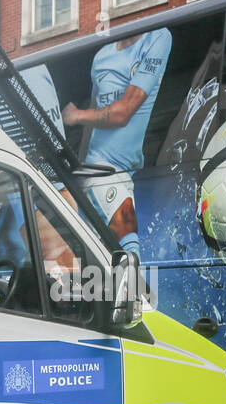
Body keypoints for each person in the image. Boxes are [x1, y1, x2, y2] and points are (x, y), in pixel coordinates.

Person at [62, 27, 172, 256]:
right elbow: (91, 123)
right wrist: (80, 171)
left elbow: (123, 113)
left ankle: (116, 290)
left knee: (103, 253)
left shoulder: (157, 37)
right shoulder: (101, 55)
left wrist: (76, 115)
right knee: (128, 239)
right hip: (100, 167)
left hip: (127, 167)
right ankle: (134, 291)